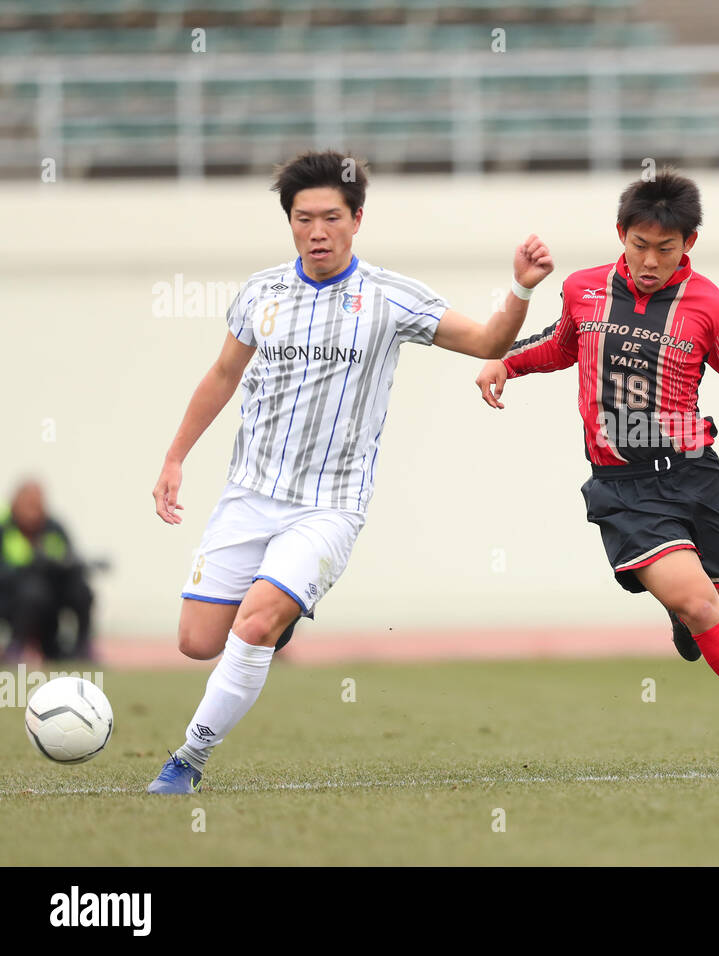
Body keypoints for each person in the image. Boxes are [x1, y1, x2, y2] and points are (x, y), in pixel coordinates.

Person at [147, 150, 553, 793]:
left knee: (251, 624)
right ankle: (272, 623)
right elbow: (223, 375)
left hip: (329, 507)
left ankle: (186, 761)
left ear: (356, 220)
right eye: (303, 218)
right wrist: (175, 457)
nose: (317, 231)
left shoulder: (390, 297)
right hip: (248, 495)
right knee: (197, 642)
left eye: (331, 217)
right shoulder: (262, 293)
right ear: (289, 223)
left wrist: (522, 288)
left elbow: (486, 342)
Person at [474, 169, 719, 773]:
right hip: (626, 491)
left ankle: (681, 614)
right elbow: (560, 344)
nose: (649, 261)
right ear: (621, 234)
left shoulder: (711, 307)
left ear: (688, 244)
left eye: (664, 250)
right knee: (703, 610)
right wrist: (505, 362)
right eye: (639, 245)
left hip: (697, 477)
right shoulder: (584, 291)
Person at [0, 480, 96, 661]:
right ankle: (17, 646)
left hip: (50, 597)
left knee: (81, 590)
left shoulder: (54, 528)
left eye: (38, 505)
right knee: (32, 592)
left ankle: (83, 646)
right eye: (28, 505)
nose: (33, 512)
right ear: (15, 504)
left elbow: (69, 556)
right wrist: (28, 567)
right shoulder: (4, 529)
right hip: (13, 598)